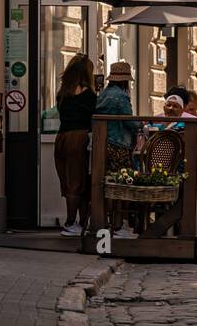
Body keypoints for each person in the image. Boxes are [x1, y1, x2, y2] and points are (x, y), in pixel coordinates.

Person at [96, 61, 140, 239]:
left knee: (106, 184)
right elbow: (129, 121)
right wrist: (141, 125)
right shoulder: (121, 97)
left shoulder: (104, 94)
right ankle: (118, 226)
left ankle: (103, 225)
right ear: (125, 81)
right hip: (119, 144)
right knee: (120, 184)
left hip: (103, 144)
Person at [54, 54, 96, 237]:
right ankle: (74, 223)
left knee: (68, 180)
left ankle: (76, 222)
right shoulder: (89, 95)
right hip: (79, 139)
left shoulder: (62, 94)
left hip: (61, 138)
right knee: (79, 182)